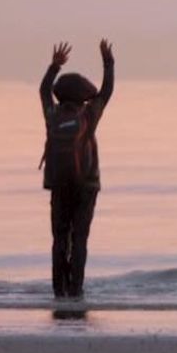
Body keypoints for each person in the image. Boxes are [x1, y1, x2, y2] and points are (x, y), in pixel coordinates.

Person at [37, 39, 114, 301]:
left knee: (60, 238)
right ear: (82, 96)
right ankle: (76, 289)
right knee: (79, 238)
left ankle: (59, 290)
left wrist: (54, 66)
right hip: (86, 185)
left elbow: (44, 90)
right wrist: (108, 62)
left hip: (58, 184)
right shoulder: (89, 115)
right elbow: (106, 92)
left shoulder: (52, 115)